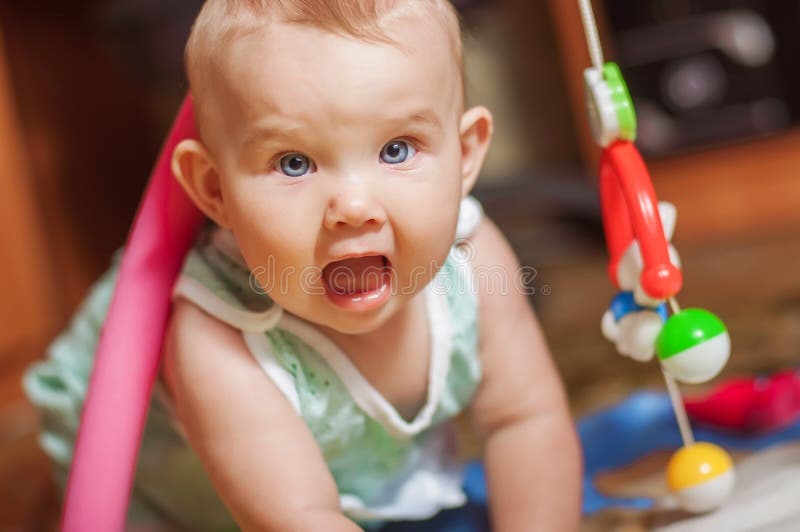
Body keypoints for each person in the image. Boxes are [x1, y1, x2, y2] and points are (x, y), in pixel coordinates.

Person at [25, 1, 581, 530]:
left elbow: (526, 421)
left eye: (397, 150)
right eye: (294, 163)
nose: (354, 208)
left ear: (466, 153)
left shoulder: (476, 262)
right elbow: (296, 519)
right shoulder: (218, 339)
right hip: (169, 477)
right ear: (214, 190)